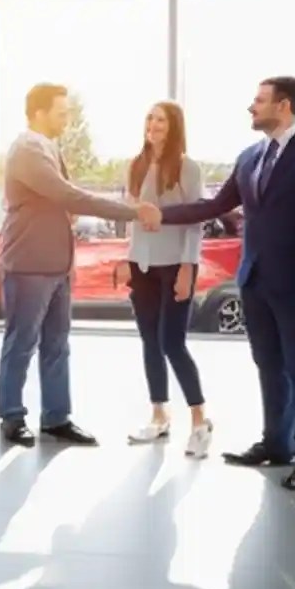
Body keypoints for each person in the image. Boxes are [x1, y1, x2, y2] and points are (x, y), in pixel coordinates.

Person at [140, 76, 295, 489]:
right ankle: (276, 445)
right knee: (269, 366)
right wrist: (164, 215)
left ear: (283, 106)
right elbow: (217, 205)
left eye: (259, 100)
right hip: (254, 281)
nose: (251, 107)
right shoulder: (250, 157)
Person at [0, 82, 158, 447]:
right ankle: (11, 417)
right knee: (22, 343)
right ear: (38, 112)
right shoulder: (27, 148)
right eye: (61, 112)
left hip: (56, 264)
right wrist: (132, 212)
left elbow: (63, 203)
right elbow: (68, 195)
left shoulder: (49, 147)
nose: (67, 119)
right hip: (29, 264)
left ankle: (56, 418)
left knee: (57, 343)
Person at [117, 101, 213, 458]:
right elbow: (133, 218)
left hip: (175, 265)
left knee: (172, 343)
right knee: (149, 342)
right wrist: (128, 258)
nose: (153, 125)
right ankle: (159, 415)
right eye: (149, 119)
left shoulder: (188, 168)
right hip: (141, 266)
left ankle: (200, 420)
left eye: (161, 120)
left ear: (173, 127)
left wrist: (188, 267)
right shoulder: (137, 165)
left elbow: (194, 220)